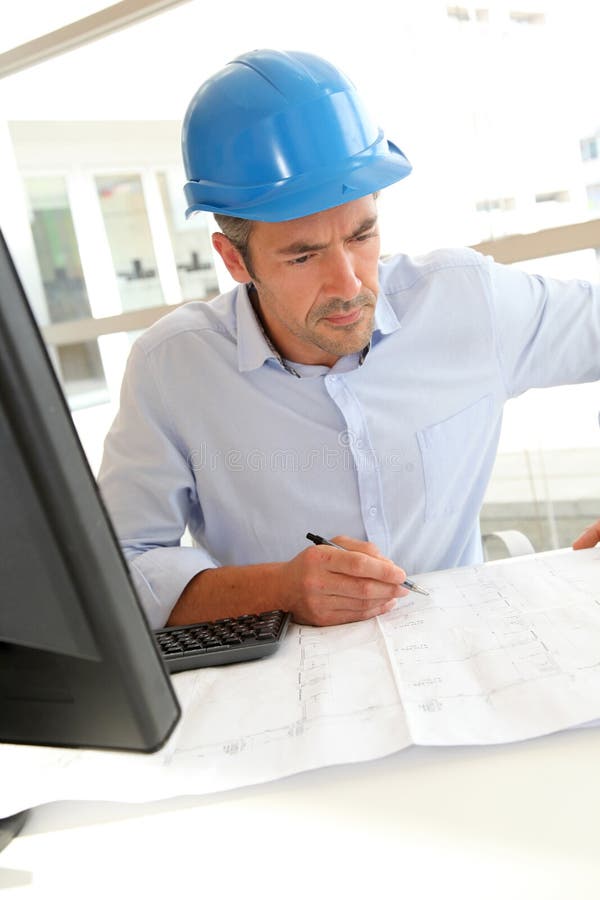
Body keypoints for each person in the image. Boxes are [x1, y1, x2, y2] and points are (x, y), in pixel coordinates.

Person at [98, 49, 600, 631]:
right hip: (291, 695)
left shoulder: (467, 301)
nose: (350, 284)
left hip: (471, 658)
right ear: (234, 259)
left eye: (362, 236)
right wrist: (281, 588)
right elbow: (120, 572)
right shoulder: (171, 368)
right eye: (304, 255)